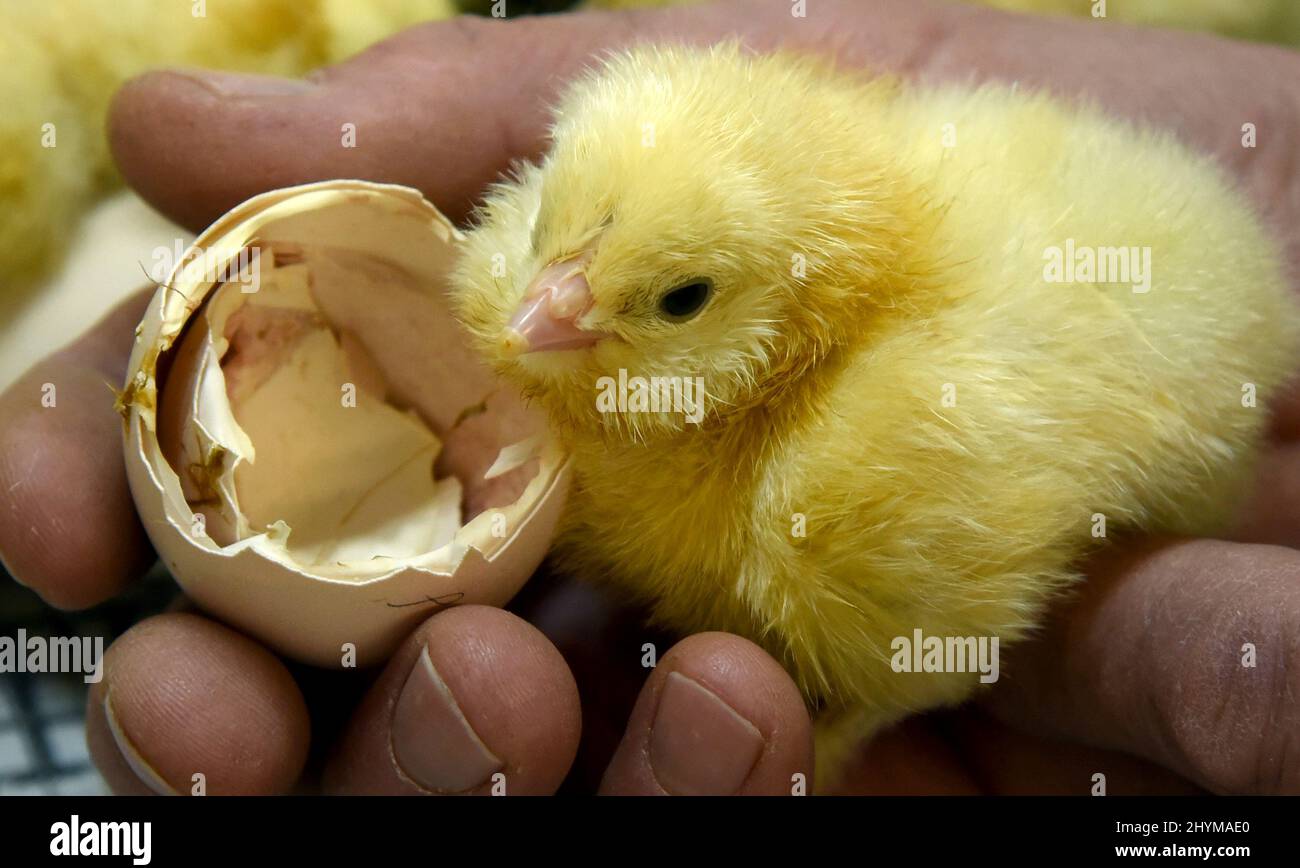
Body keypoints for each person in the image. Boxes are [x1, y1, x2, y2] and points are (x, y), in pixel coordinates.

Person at [2, 0, 1298, 795]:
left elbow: (911, 637)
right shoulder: (568, 267)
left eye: (671, 304)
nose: (536, 313)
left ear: (790, 324)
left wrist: (847, 717)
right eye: (552, 228)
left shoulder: (858, 463)